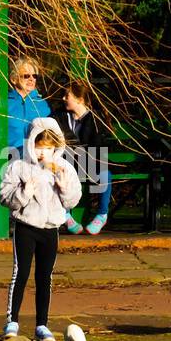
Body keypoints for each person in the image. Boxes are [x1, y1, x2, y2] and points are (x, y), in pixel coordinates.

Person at [0, 117, 82, 341]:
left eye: (48, 147)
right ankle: (12, 321)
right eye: (39, 146)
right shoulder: (18, 166)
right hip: (26, 226)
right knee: (21, 273)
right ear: (31, 143)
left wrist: (64, 189)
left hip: (51, 228)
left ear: (56, 146)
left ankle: (42, 325)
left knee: (44, 276)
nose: (43, 152)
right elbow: (4, 197)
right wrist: (25, 191)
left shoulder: (64, 168)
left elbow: (73, 199)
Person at [54, 77, 112, 235]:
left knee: (104, 173)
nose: (63, 98)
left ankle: (101, 214)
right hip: (67, 163)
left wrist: (78, 150)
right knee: (57, 173)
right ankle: (65, 215)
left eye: (68, 95)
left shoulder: (96, 118)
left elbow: (97, 147)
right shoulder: (59, 115)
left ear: (80, 99)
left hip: (91, 163)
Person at [0, 56, 50, 152]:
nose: (32, 79)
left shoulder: (43, 105)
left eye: (34, 76)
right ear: (13, 79)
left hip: (36, 162)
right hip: (7, 160)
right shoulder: (1, 104)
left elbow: (52, 139)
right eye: (26, 76)